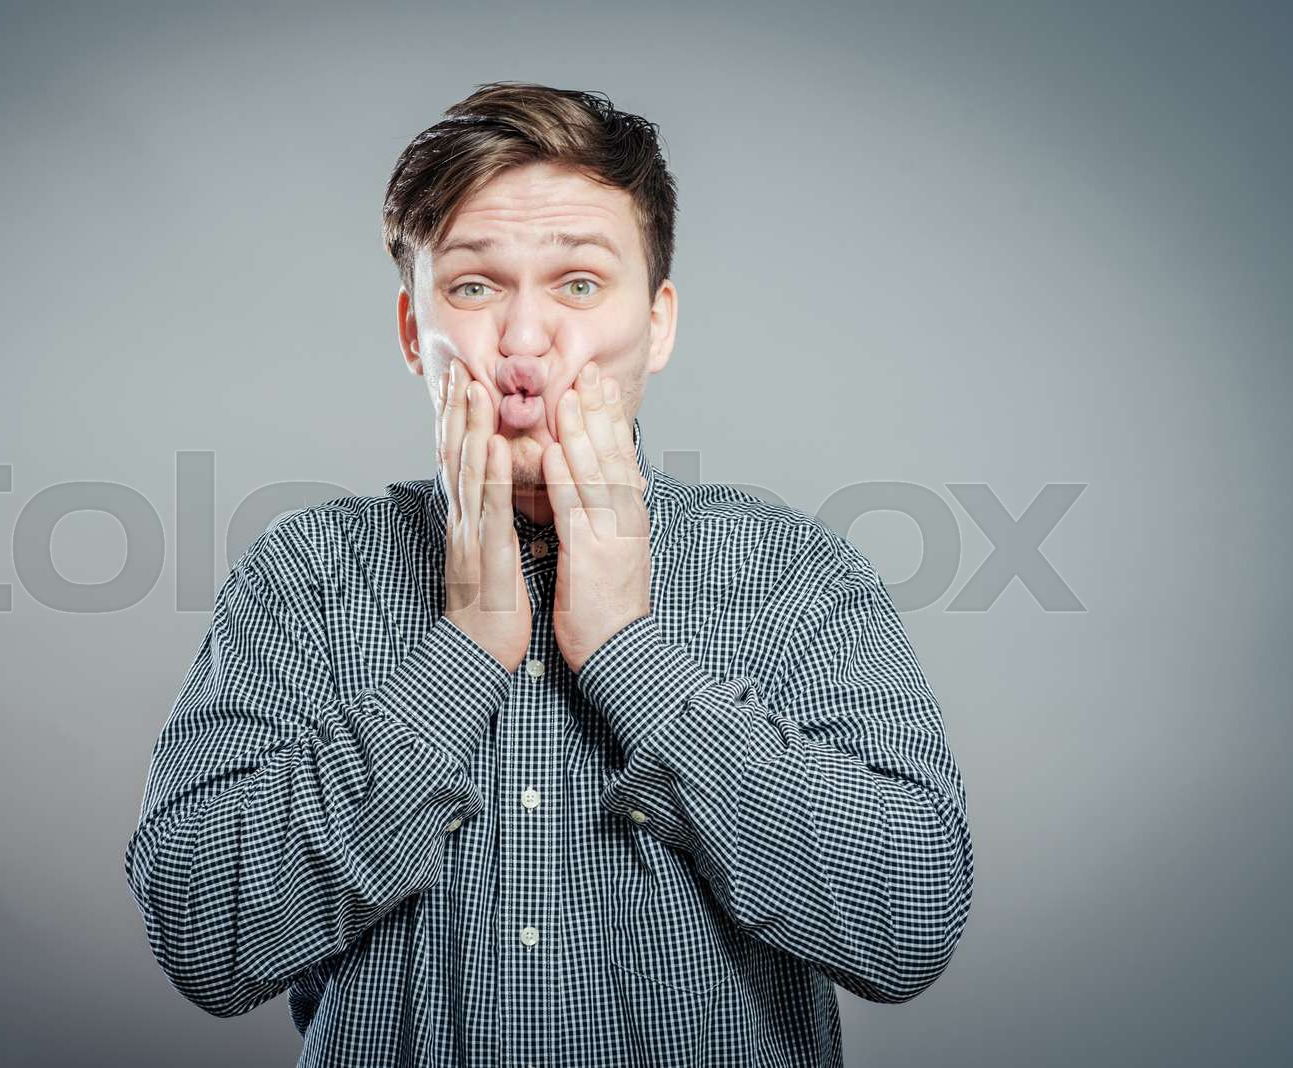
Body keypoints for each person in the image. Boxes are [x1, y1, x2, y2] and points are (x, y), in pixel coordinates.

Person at [124, 81, 974, 1067]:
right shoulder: (304, 576)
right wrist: (463, 651)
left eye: (577, 283)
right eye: (475, 286)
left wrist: (628, 652)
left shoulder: (797, 574)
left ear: (655, 324)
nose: (524, 345)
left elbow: (907, 924)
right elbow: (201, 937)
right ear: (414, 334)